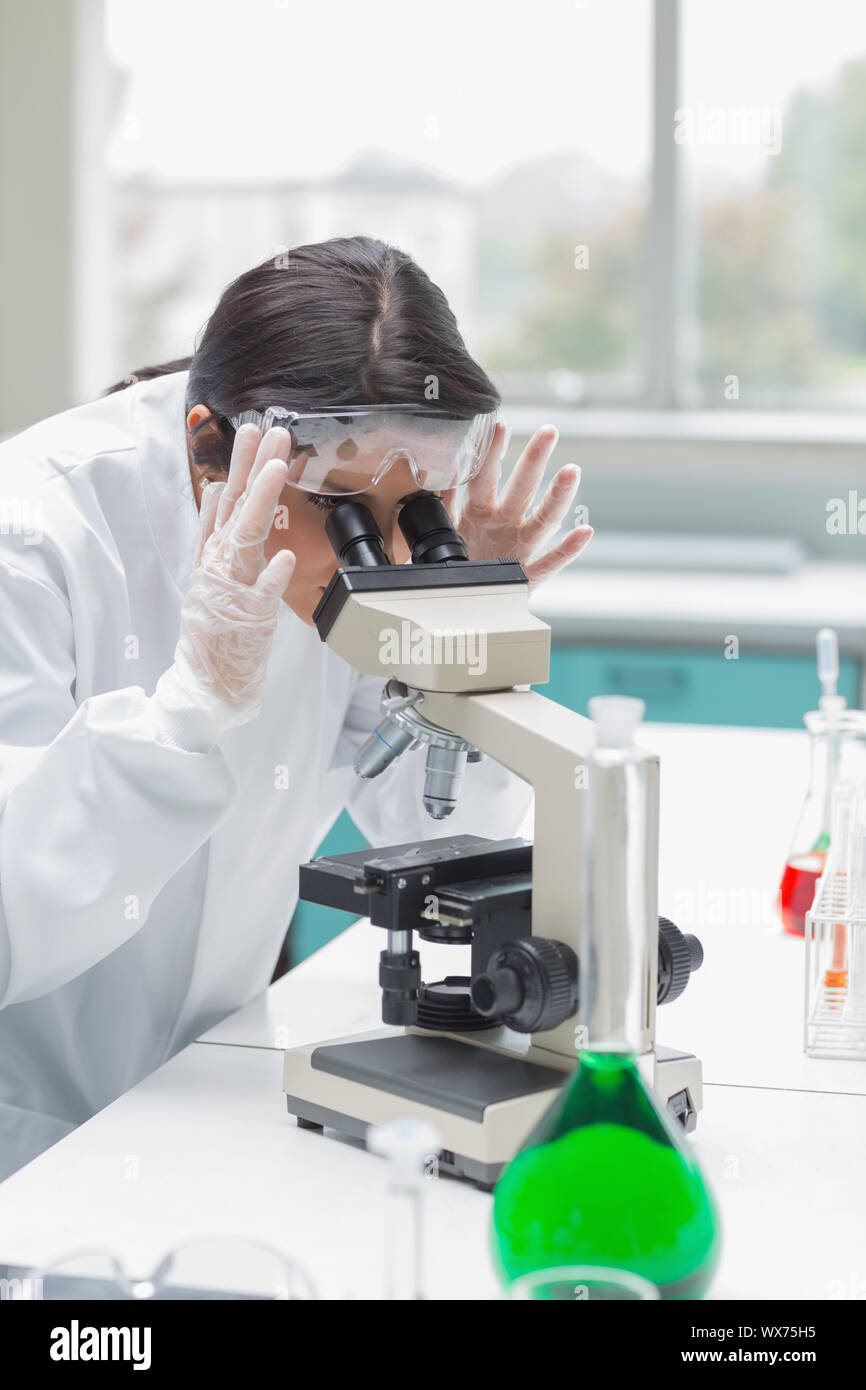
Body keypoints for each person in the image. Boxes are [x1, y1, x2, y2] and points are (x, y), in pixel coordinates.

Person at [0, 235, 592, 1181]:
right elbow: (10, 924)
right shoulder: (30, 530)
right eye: (338, 505)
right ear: (209, 447)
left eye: (416, 506)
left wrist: (460, 638)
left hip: (215, 1092)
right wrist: (188, 708)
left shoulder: (364, 554)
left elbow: (443, 832)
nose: (378, 550)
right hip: (27, 1135)